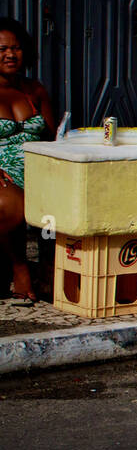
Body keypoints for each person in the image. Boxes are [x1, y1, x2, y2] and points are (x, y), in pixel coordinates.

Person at [0, 18, 52, 306]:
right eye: (3, 48)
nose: (10, 54)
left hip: (38, 171)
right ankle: (20, 268)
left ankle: (52, 270)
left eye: (17, 48)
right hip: (2, 174)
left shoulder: (35, 90)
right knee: (12, 204)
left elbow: (56, 136)